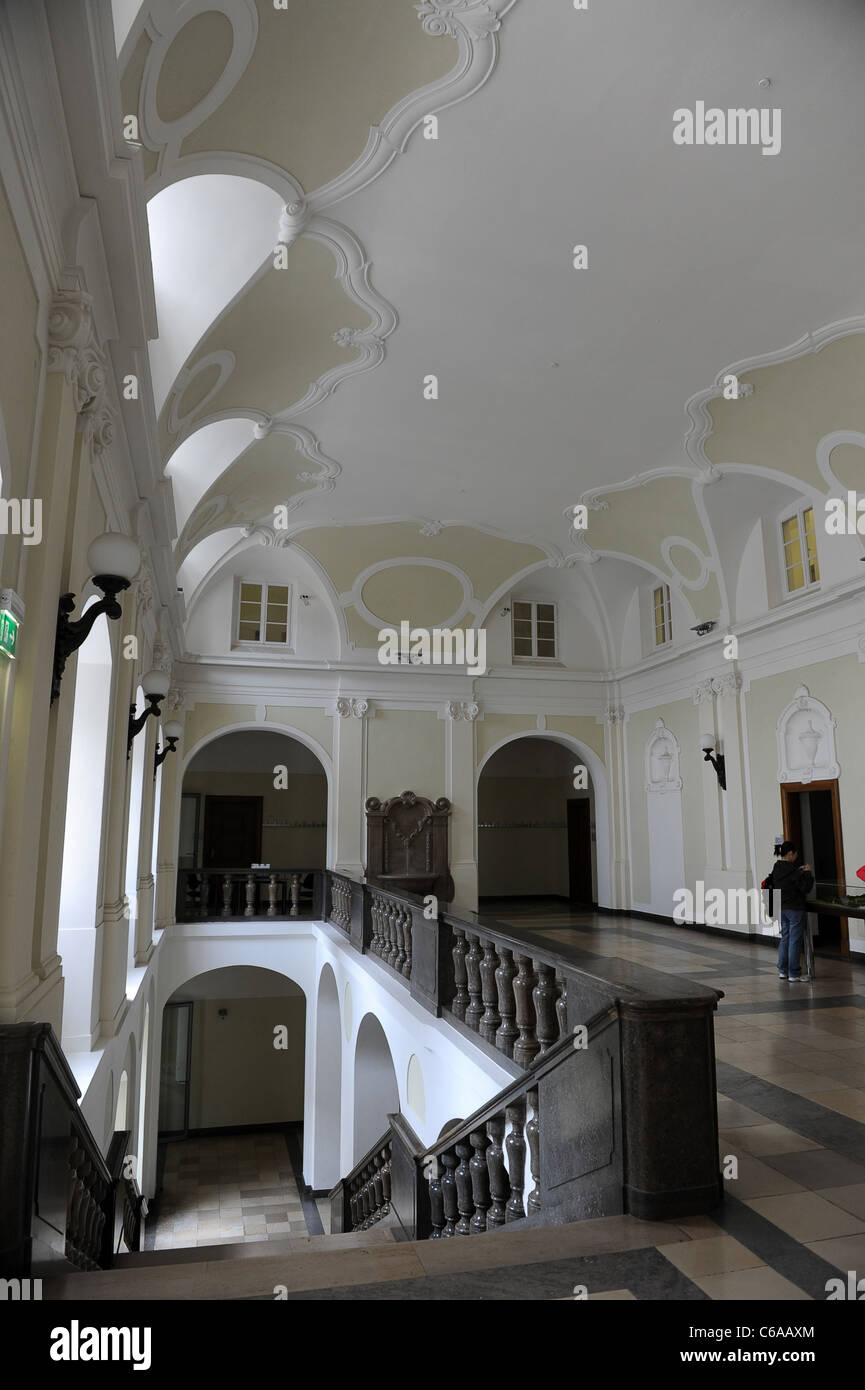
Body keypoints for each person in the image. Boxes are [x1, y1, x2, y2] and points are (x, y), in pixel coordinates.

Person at [766, 841, 814, 981]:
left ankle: (783, 971)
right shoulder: (792, 871)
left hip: (782, 907)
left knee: (785, 938)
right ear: (790, 853)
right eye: (795, 854)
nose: (796, 856)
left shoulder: (777, 868)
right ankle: (794, 973)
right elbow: (805, 888)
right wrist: (807, 873)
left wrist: (798, 871)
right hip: (795, 908)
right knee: (794, 940)